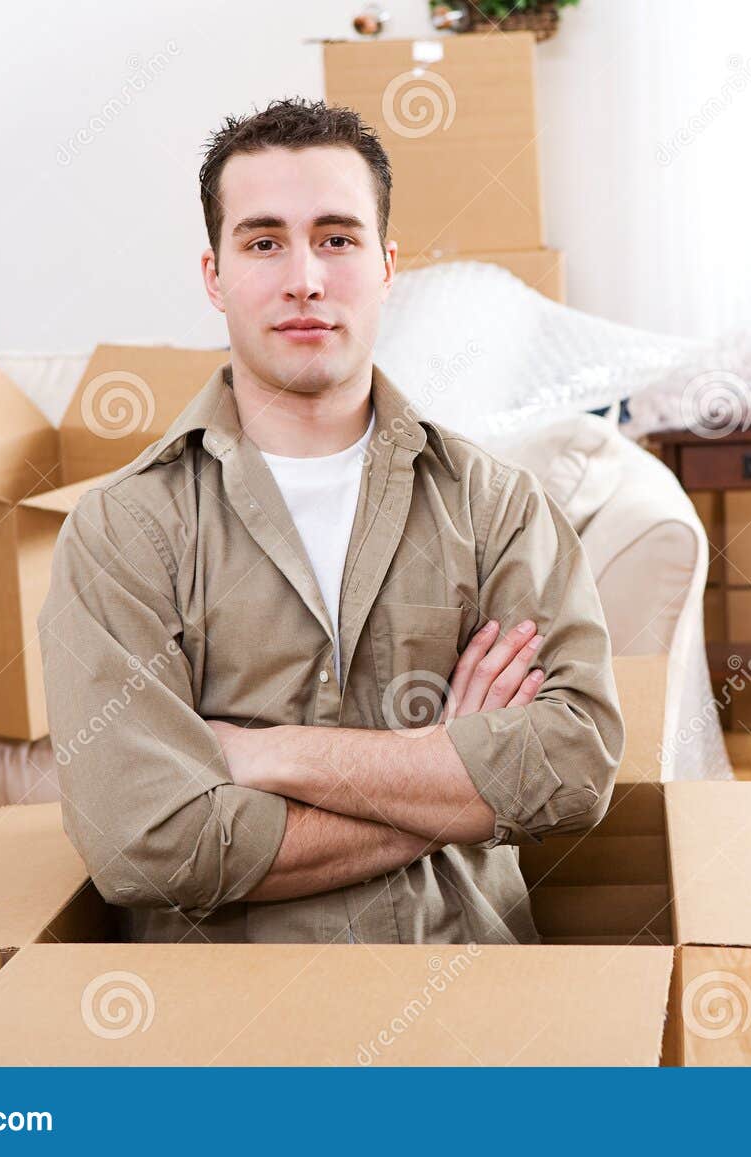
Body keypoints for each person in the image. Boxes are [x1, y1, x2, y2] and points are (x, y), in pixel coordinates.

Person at [37, 98, 623, 945]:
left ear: (388, 266)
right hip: (229, 1033)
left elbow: (574, 765)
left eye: (337, 238)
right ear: (215, 274)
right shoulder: (122, 531)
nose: (304, 277)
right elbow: (147, 844)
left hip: (470, 987)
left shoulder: (494, 505)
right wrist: (452, 774)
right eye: (264, 241)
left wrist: (273, 754)